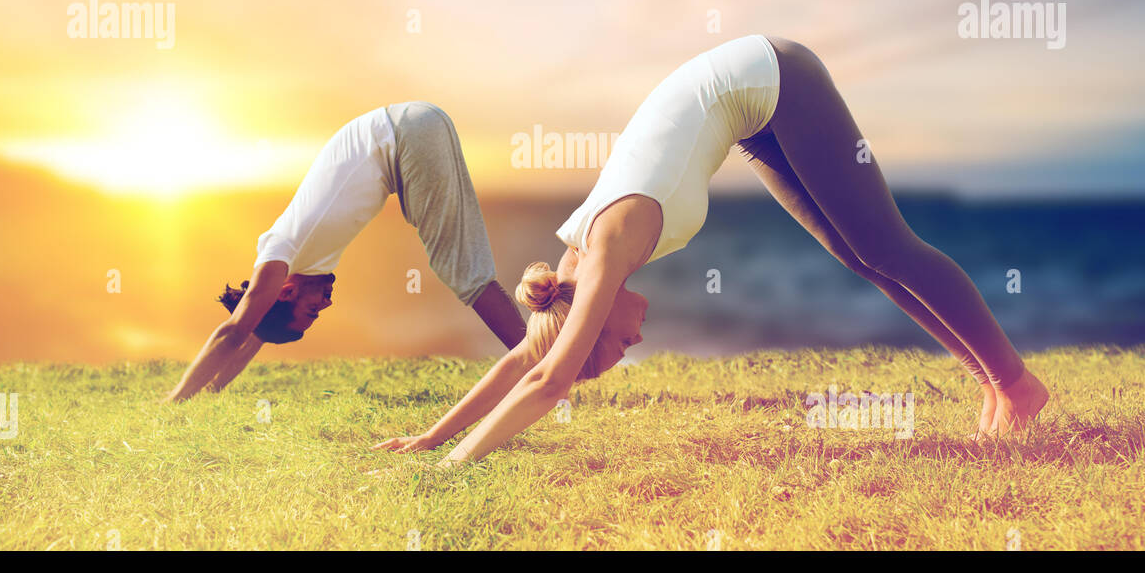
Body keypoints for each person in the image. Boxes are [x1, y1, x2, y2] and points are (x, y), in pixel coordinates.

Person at [375, 36, 1048, 463]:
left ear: (592, 317)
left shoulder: (606, 247)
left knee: (886, 243)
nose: (629, 349)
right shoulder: (575, 269)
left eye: (606, 351)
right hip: (750, 106)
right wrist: (432, 436)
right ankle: (993, 383)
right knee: (862, 256)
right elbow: (525, 356)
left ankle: (1015, 384)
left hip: (775, 77)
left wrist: (452, 466)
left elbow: (546, 378)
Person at [163, 101, 526, 402]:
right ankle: (548, 354)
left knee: (461, 269)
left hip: (405, 138)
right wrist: (209, 393)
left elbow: (235, 333)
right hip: (412, 128)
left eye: (311, 310)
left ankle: (542, 362)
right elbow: (254, 335)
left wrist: (176, 400)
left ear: (285, 291)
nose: (326, 305)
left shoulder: (280, 253)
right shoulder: (293, 268)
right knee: (464, 260)